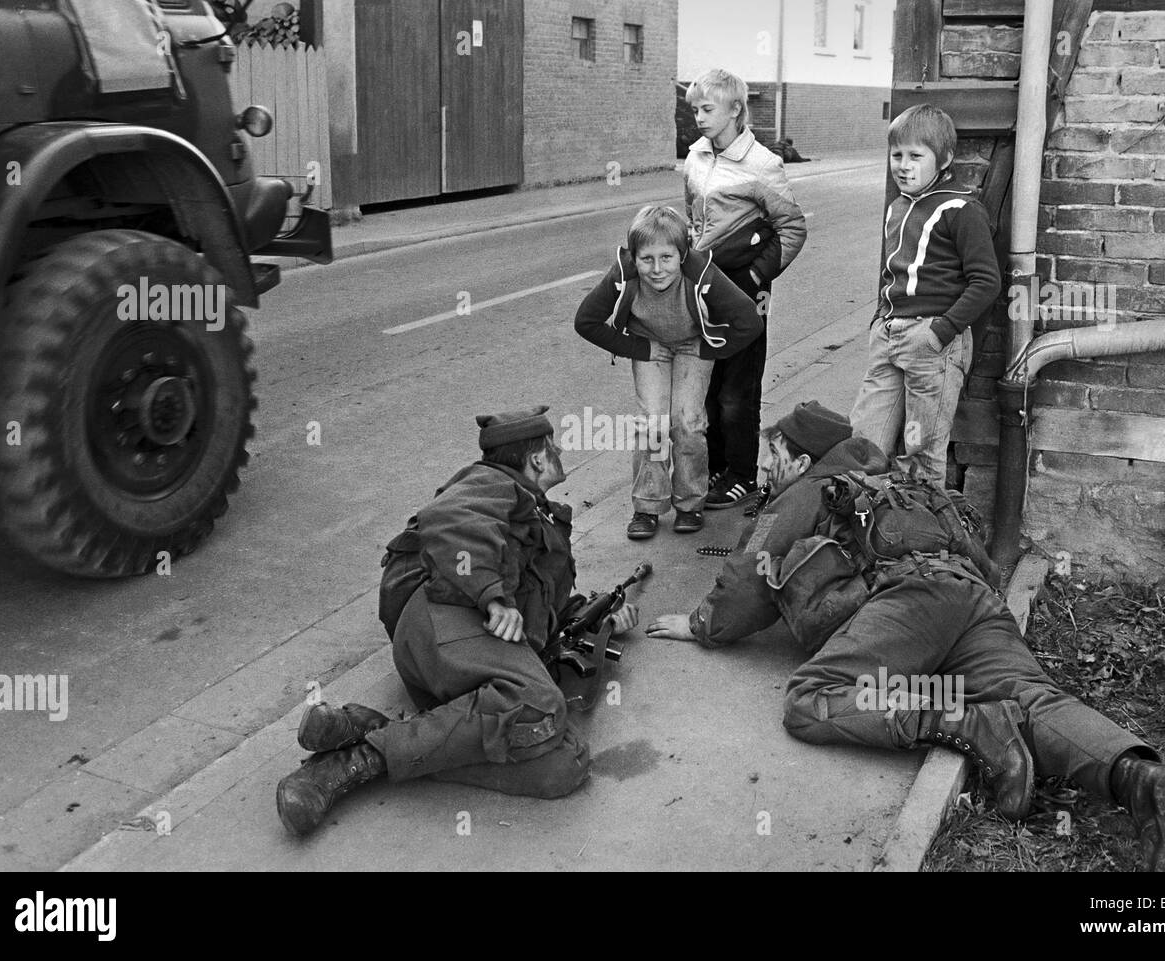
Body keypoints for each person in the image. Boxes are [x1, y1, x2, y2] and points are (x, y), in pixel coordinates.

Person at [647, 400, 1165, 871]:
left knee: (809, 700)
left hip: (909, 601)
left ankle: (974, 724)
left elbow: (748, 581)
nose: (763, 468)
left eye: (770, 456)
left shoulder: (801, 492)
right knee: (1032, 696)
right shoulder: (892, 475)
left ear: (797, 459)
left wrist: (702, 626)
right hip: (971, 596)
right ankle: (1143, 782)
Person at [276, 407, 638, 836]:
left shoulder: (545, 519)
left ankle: (374, 733)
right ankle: (354, 762)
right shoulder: (491, 482)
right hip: (439, 620)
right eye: (552, 445)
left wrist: (601, 620)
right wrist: (493, 598)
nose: (560, 450)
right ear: (538, 458)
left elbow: (548, 608)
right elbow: (452, 521)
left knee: (562, 766)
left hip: (474, 658)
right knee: (540, 703)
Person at [575, 205, 762, 541]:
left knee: (688, 422)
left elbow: (749, 320)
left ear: (682, 254)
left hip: (693, 345)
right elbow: (585, 322)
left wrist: (710, 349)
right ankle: (648, 505)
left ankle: (690, 502)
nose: (657, 269)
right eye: (647, 259)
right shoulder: (623, 273)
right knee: (652, 424)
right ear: (634, 257)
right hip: (650, 346)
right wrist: (639, 349)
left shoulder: (702, 272)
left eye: (667, 258)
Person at [850, 103, 1001, 485]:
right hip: (889, 336)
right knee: (864, 443)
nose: (903, 165)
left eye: (916, 156)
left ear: (945, 158)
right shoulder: (898, 207)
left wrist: (941, 332)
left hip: (930, 345)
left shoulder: (961, 208)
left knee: (919, 453)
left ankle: (922, 539)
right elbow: (890, 271)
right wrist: (879, 320)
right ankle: (871, 531)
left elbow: (986, 281)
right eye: (896, 155)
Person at [683, 68, 807, 511]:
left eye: (708, 109)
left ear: (736, 109)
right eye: (695, 109)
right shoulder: (696, 157)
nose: (699, 117)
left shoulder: (763, 164)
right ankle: (718, 466)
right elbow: (696, 224)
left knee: (738, 388)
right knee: (710, 384)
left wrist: (755, 278)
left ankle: (741, 475)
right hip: (703, 287)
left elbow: (792, 228)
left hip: (744, 290)